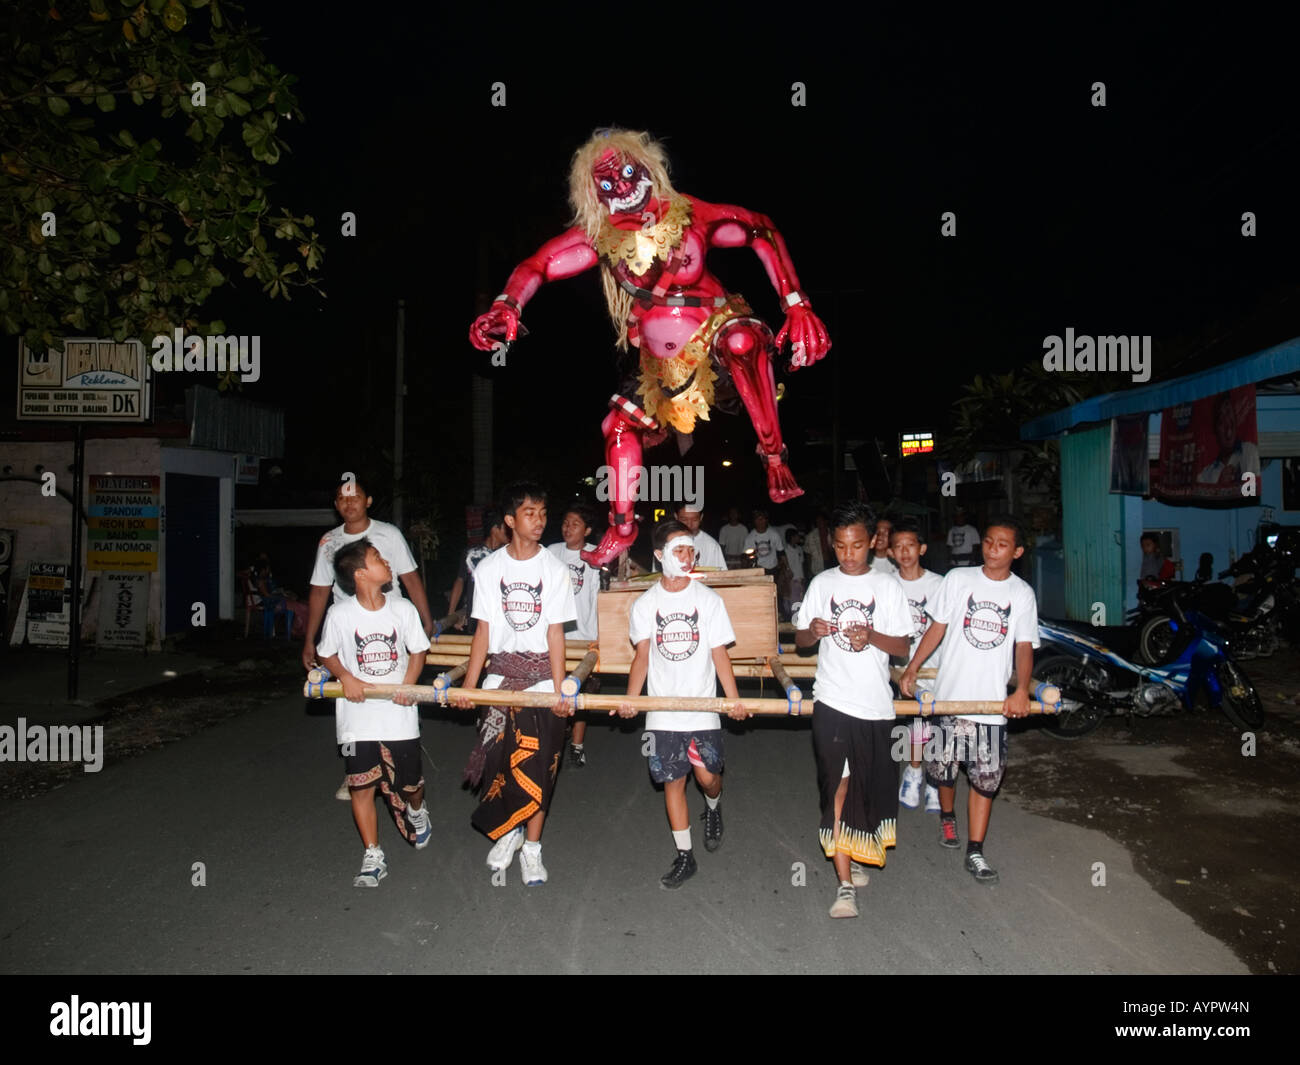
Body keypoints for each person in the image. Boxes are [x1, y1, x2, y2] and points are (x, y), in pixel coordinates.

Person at [899, 516, 1040, 885]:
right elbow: (937, 628)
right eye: (989, 541)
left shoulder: (1022, 594)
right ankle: (948, 817)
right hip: (949, 700)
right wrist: (912, 668)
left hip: (991, 708)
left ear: (1018, 552)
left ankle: (975, 850)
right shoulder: (958, 580)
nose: (993, 549)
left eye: (1003, 544)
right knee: (944, 771)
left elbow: (1024, 646)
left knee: (985, 781)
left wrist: (1021, 689)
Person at [451, 483, 577, 886]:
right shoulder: (488, 569)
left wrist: (561, 691)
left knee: (540, 769)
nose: (539, 521)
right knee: (499, 764)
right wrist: (470, 687)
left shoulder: (553, 570)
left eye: (543, 513)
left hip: (541, 679)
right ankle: (508, 831)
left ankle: (533, 849)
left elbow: (556, 633)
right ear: (510, 520)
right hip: (499, 679)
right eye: (529, 513)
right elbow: (483, 633)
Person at [795, 502, 911, 918]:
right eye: (841, 546)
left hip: (875, 706)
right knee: (837, 788)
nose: (848, 554)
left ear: (873, 543)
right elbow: (802, 642)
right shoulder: (822, 584)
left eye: (857, 545)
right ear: (832, 544)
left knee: (870, 789)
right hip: (831, 701)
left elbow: (901, 647)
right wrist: (813, 630)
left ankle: (858, 852)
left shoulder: (888, 587)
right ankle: (844, 886)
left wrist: (872, 635)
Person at [617, 521, 748, 889]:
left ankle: (713, 804)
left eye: (690, 550)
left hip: (703, 707)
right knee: (672, 783)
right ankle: (685, 856)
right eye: (678, 550)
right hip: (663, 711)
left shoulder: (708, 600)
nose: (687, 556)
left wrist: (733, 701)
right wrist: (631, 700)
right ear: (659, 557)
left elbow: (720, 654)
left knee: (706, 777)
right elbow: (641, 658)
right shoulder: (645, 604)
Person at [302, 476, 436, 801]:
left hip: (390, 623)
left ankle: (403, 764)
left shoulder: (388, 534)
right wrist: (310, 640)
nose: (350, 503)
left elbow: (409, 576)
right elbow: (320, 590)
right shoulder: (328, 542)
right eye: (343, 499)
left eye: (356, 497)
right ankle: (356, 772)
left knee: (396, 695)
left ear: (368, 500)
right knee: (352, 698)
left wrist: (426, 619)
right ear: (336, 505)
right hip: (349, 629)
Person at [315, 539, 431, 887]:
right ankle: (373, 854)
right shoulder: (340, 614)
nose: (387, 561)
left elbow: (417, 651)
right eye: (378, 558)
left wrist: (408, 685)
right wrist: (345, 676)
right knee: (360, 786)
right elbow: (327, 654)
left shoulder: (403, 609)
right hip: (358, 715)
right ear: (362, 574)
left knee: (410, 782)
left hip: (399, 713)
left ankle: (416, 810)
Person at [888, 517, 944, 813]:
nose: (905, 551)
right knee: (916, 722)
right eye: (898, 546)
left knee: (935, 721)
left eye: (911, 545)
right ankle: (913, 771)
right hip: (900, 665)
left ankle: (934, 781)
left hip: (935, 664)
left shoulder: (939, 584)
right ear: (890, 552)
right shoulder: (886, 585)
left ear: (922, 548)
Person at [548, 503, 601, 768]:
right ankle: (554, 740)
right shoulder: (551, 552)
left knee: (581, 693)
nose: (568, 528)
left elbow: (598, 596)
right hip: (556, 636)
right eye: (566, 523)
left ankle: (577, 744)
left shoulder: (596, 555)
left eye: (575, 524)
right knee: (556, 691)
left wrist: (598, 636)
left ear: (587, 530)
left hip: (585, 636)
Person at [447, 508, 507, 630]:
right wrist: (451, 615)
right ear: (495, 529)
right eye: (506, 528)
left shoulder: (508, 554)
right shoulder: (470, 553)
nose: (510, 532)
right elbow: (460, 581)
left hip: (502, 619)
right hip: (475, 618)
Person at [1197, 391, 1260, 485]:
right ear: (1215, 430)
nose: (1227, 422)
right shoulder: (1205, 475)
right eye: (1221, 420)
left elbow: (1252, 492)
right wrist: (1221, 486)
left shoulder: (1250, 451)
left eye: (1228, 412)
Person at [675, 502, 727, 569]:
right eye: (684, 520)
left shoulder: (711, 545)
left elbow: (721, 574)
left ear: (701, 517)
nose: (689, 525)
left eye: (694, 520)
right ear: (676, 517)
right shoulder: (667, 542)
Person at [744, 509, 785, 574]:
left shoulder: (774, 534)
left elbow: (781, 552)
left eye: (762, 519)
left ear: (766, 520)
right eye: (758, 519)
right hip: (758, 569)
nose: (760, 521)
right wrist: (753, 565)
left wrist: (786, 567)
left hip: (774, 568)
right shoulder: (750, 538)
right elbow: (747, 557)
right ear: (754, 521)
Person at [804, 512, 832, 577]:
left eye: (821, 521)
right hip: (818, 565)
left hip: (831, 563)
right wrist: (809, 569)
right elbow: (808, 554)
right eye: (817, 521)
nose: (819, 523)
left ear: (826, 521)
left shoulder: (832, 533)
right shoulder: (811, 536)